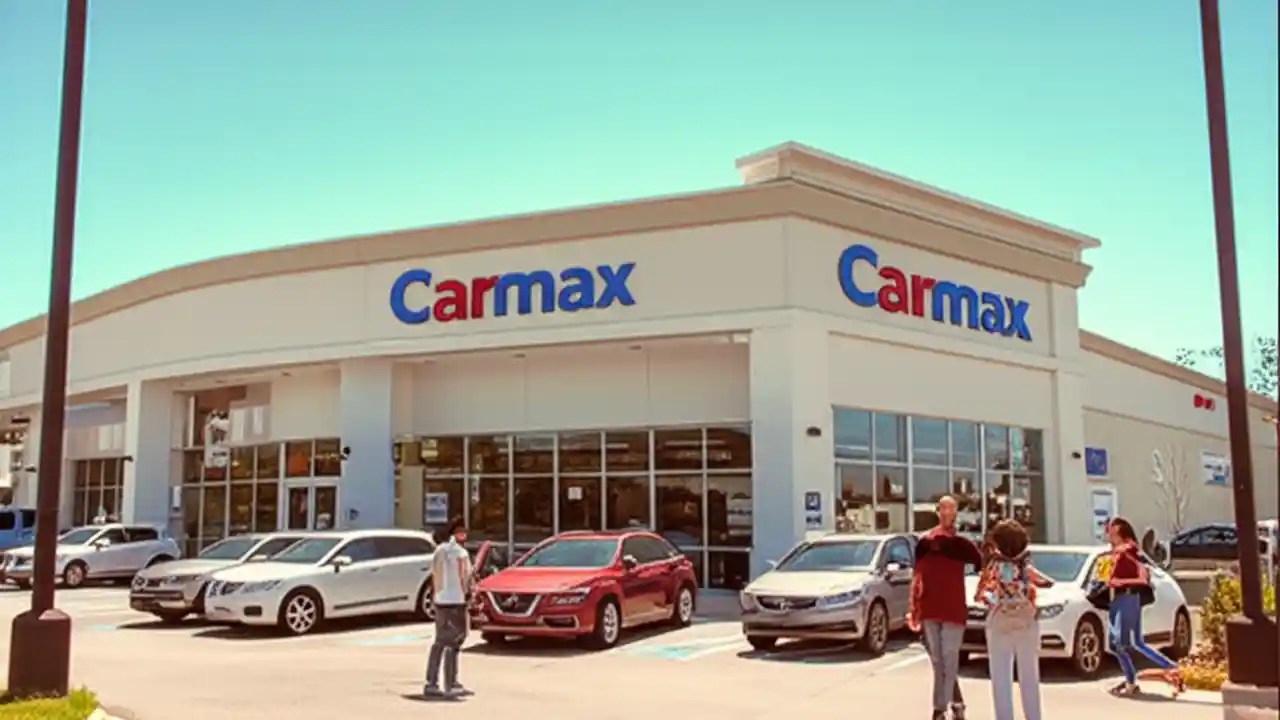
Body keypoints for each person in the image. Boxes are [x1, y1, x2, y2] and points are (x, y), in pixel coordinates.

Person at [909, 496, 984, 720]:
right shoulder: (924, 542)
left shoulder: (962, 545)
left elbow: (979, 566)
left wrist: (971, 580)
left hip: (953, 609)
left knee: (949, 659)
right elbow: (916, 576)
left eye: (951, 508)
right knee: (938, 662)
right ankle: (958, 704)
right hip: (929, 608)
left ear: (956, 512)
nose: (947, 512)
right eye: (943, 507)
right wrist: (913, 607)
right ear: (937, 511)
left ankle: (939, 708)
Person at [974, 520, 1053, 720]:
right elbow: (1043, 581)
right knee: (1029, 676)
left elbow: (982, 593)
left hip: (1000, 620)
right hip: (1026, 620)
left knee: (1001, 677)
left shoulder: (994, 565)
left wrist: (988, 596)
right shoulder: (1024, 564)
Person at [1104, 517, 1184, 697]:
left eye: (1111, 528)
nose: (1108, 532)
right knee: (1130, 642)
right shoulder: (1116, 551)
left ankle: (1136, 680)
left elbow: (1143, 576)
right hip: (1118, 600)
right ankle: (1168, 669)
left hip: (1128, 598)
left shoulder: (1129, 550)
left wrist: (1118, 581)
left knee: (1121, 644)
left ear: (1119, 530)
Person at [424, 516, 473, 699]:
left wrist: (437, 596)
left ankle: (432, 682)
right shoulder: (460, 553)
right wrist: (467, 593)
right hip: (456, 601)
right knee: (455, 641)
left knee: (440, 641)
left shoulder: (438, 551)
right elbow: (463, 576)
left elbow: (434, 575)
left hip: (441, 600)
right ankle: (450, 683)